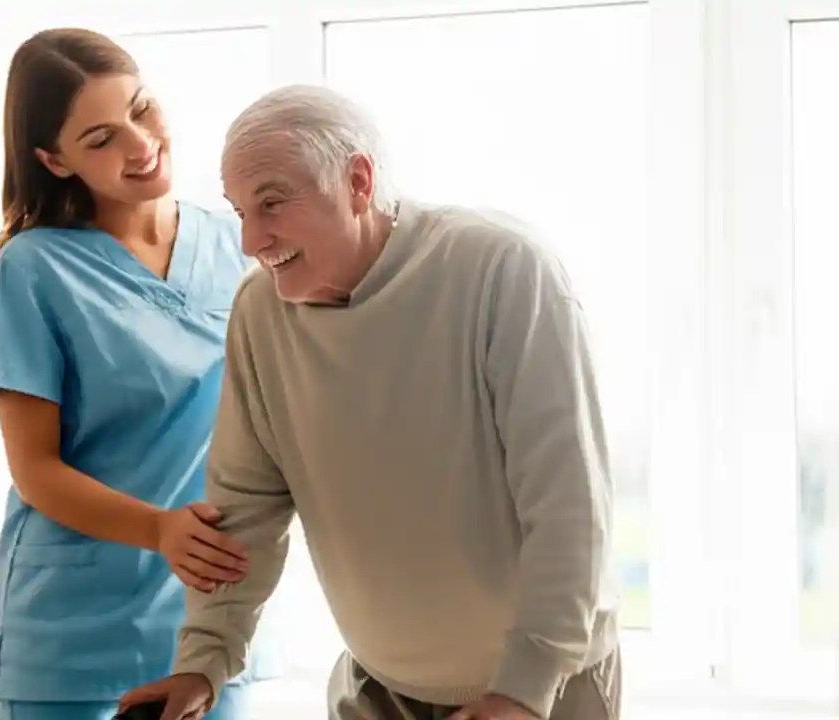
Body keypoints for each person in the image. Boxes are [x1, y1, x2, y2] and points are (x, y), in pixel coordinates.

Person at [119, 85, 622, 720]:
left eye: (271, 203)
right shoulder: (259, 311)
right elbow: (244, 508)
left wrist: (525, 689)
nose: (250, 240)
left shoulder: (503, 270)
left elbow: (569, 506)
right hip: (378, 684)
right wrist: (203, 662)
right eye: (239, 211)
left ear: (358, 181)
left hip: (542, 689)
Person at [0, 28, 276, 720]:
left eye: (141, 110)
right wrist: (160, 531)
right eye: (101, 138)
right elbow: (35, 469)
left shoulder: (241, 245)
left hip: (214, 619)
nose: (140, 145)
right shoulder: (35, 270)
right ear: (53, 159)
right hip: (72, 637)